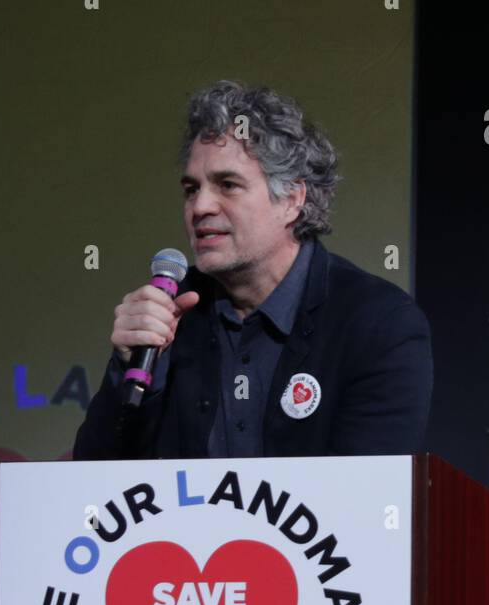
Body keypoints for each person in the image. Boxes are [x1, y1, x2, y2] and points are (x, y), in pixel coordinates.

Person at [72, 79, 433, 462]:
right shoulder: (174, 313)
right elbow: (94, 489)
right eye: (191, 189)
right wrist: (128, 366)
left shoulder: (378, 323)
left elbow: (370, 499)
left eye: (227, 185)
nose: (200, 207)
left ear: (292, 199)